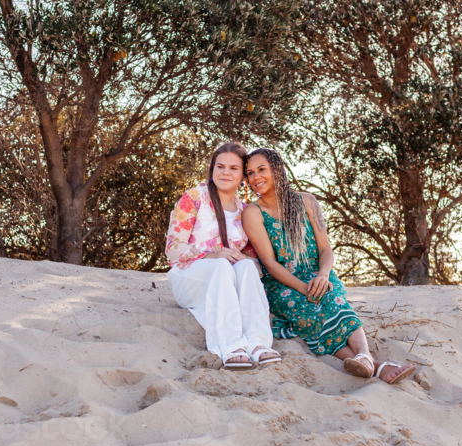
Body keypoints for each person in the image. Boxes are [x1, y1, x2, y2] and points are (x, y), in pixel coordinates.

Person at [242, 148, 415, 384]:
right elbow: (270, 263)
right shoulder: (253, 212)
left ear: (277, 170)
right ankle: (374, 365)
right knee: (308, 313)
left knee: (333, 299)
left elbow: (325, 249)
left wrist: (323, 275)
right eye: (250, 173)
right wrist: (304, 288)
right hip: (282, 282)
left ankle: (364, 356)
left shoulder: (307, 201)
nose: (255, 177)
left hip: (318, 272)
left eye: (262, 169)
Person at [166, 142, 281, 368]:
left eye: (233, 168)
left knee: (246, 267)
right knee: (221, 266)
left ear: (243, 177)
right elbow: (173, 249)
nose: (225, 172)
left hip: (226, 283)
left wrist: (244, 260)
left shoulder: (245, 211)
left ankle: (258, 343)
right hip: (189, 279)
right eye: (220, 167)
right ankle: (229, 345)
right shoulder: (195, 197)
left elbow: (255, 261)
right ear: (212, 170)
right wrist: (213, 255)